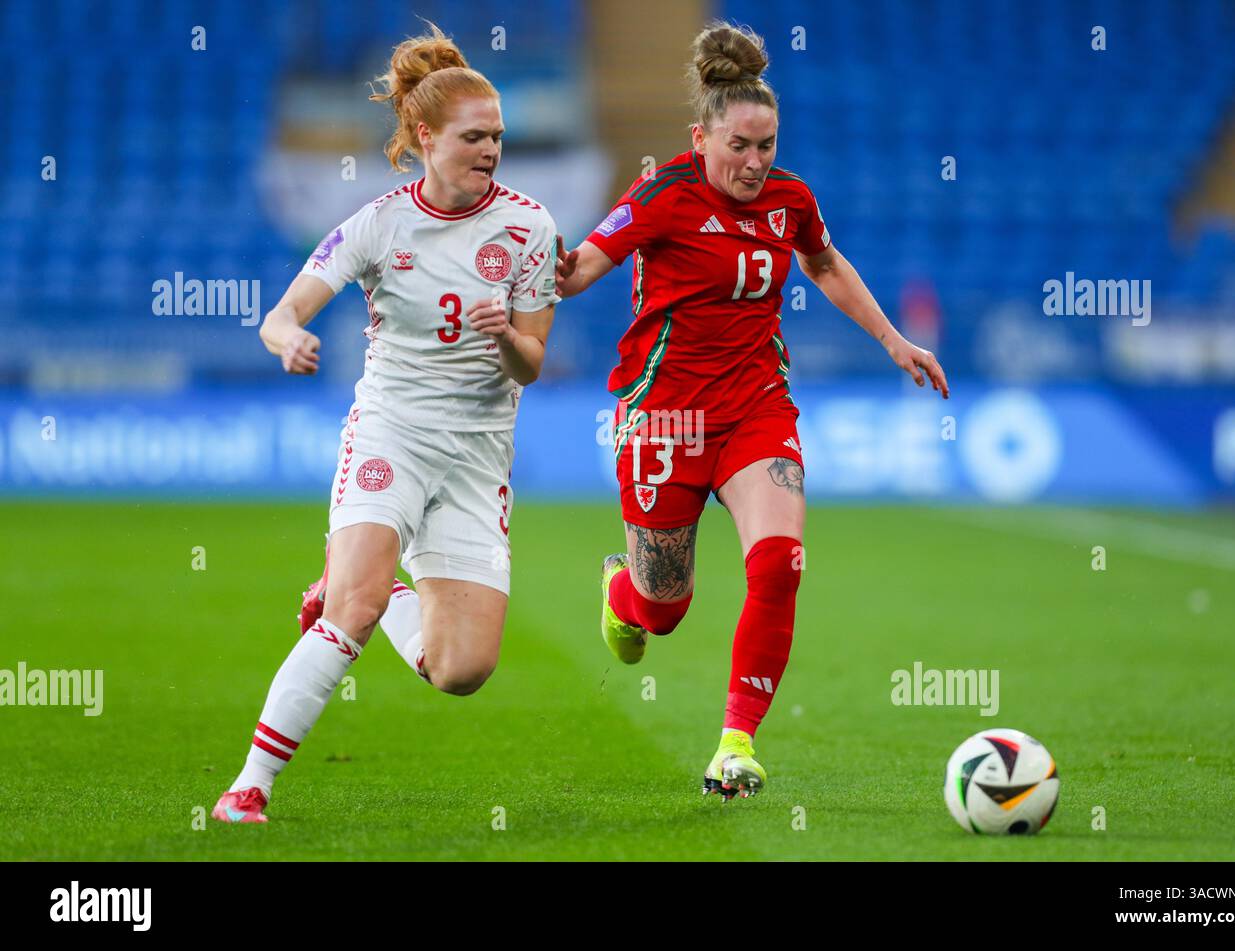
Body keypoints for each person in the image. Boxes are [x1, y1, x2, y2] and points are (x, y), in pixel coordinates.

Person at [556, 22, 948, 800]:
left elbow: (824, 262)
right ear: (700, 137)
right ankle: (621, 595)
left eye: (767, 144)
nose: (755, 161)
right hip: (664, 418)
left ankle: (735, 744)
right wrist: (530, 273)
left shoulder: (790, 200)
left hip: (754, 408)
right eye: (740, 145)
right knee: (662, 612)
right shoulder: (662, 196)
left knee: (778, 565)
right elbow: (579, 270)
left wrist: (891, 338)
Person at [211, 25, 560, 824]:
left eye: (499, 137)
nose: (491, 151)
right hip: (392, 433)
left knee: (461, 670)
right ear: (427, 137)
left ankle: (366, 589)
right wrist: (290, 336)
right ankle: (250, 785)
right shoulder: (378, 223)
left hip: (476, 456)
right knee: (353, 611)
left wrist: (506, 334)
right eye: (475, 138)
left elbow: (534, 362)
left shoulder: (532, 228)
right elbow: (283, 313)